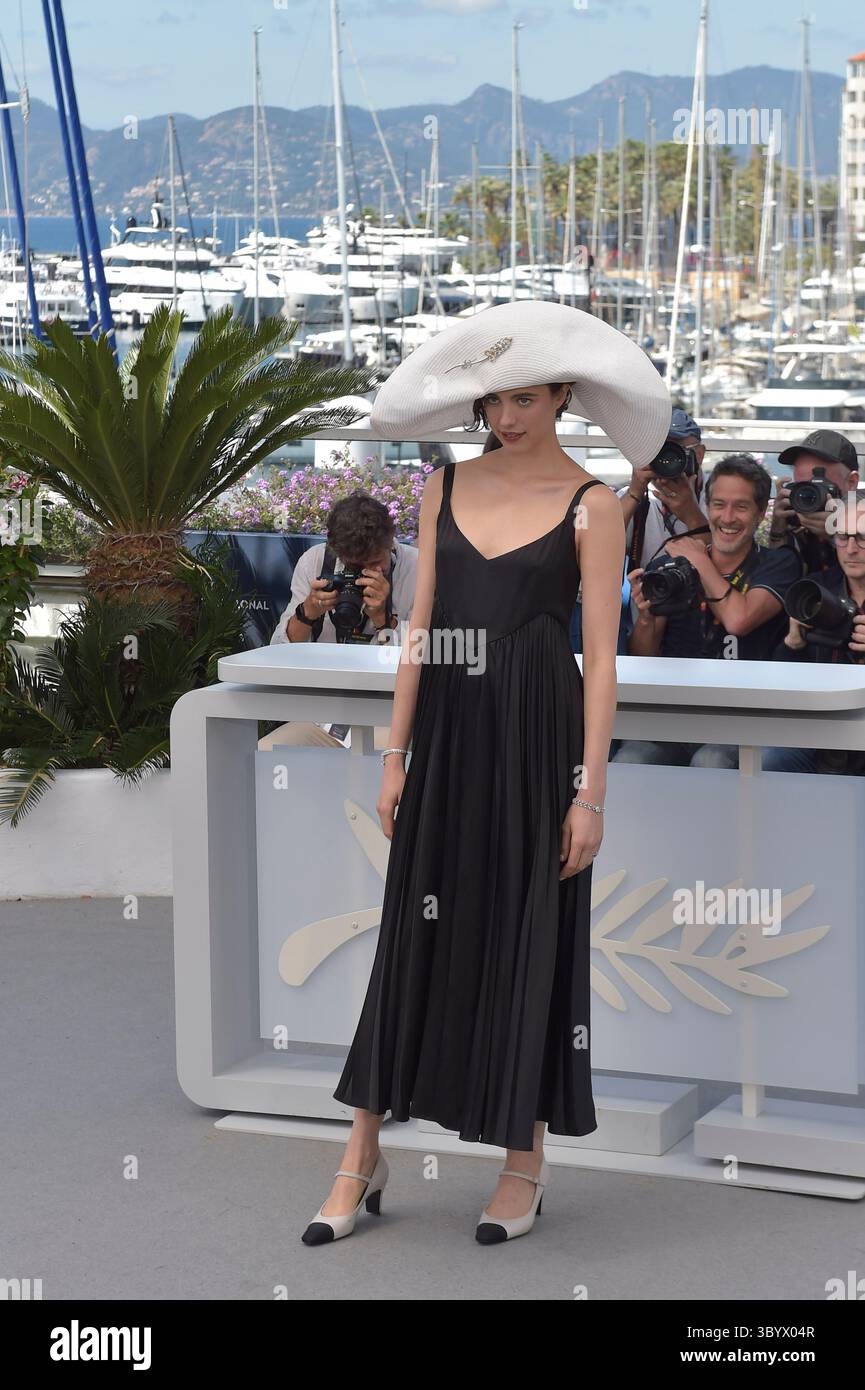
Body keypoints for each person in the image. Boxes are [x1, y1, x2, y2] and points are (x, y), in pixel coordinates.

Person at [301, 298, 672, 1246]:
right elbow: (420, 632)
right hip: (452, 739)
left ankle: (523, 1161)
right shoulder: (442, 488)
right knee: (410, 938)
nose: (506, 418)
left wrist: (589, 792)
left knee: (526, 936)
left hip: (538, 739)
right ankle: (361, 1150)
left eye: (525, 399)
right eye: (493, 400)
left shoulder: (594, 505)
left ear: (562, 396)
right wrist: (394, 751)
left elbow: (600, 656)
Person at [615, 453, 802, 768]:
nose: (727, 517)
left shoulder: (778, 564)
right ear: (707, 506)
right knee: (630, 760)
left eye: (740, 507)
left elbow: (738, 620)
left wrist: (700, 560)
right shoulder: (671, 566)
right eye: (718, 504)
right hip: (675, 716)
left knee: (711, 761)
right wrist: (646, 617)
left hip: (743, 718)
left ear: (759, 514)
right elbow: (645, 658)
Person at [263, 492, 417, 750]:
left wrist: (383, 619)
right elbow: (279, 651)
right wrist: (308, 612)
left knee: (378, 762)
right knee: (265, 755)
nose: (364, 575)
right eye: (355, 567)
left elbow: (423, 659)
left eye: (376, 564)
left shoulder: (417, 569)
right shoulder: (315, 561)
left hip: (390, 716)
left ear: (391, 542)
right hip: (324, 717)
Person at [763, 495, 865, 774]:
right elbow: (779, 682)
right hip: (819, 734)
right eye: (843, 537)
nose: (851, 549)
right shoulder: (815, 589)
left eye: (862, 538)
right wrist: (792, 643)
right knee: (770, 758)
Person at [618, 407, 709, 627]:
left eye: (676, 450)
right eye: (659, 450)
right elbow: (600, 545)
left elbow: (729, 558)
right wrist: (634, 493)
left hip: (704, 616)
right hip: (649, 614)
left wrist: (692, 514)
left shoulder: (718, 497)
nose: (667, 459)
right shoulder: (636, 498)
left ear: (699, 453)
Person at [766, 428, 860, 575]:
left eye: (819, 485)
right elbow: (775, 578)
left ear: (852, 482)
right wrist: (778, 530)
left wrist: (838, 536)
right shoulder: (795, 522)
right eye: (802, 487)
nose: (810, 496)